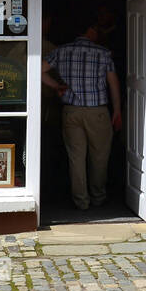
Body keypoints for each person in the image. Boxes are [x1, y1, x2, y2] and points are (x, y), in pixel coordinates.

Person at [42, 19, 121, 211]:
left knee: (76, 158)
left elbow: (38, 69)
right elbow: (113, 83)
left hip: (71, 111)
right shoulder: (103, 53)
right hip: (98, 112)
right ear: (89, 30)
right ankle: (98, 197)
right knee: (99, 156)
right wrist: (118, 109)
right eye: (95, 27)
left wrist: (56, 86)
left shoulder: (61, 51)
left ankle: (81, 201)